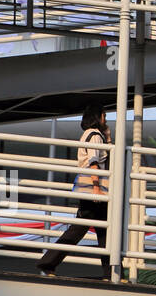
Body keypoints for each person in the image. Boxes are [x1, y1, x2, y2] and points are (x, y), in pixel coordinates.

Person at [37, 106, 112, 277]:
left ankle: (112, 272)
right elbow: (94, 161)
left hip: (90, 189)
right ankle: (48, 262)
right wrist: (96, 188)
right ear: (98, 116)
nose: (105, 119)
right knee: (93, 230)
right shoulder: (94, 135)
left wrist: (107, 137)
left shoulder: (89, 134)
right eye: (104, 115)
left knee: (102, 231)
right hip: (94, 189)